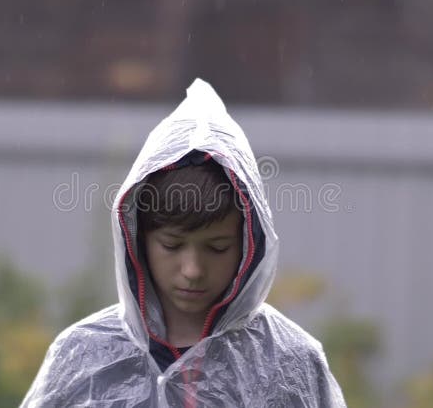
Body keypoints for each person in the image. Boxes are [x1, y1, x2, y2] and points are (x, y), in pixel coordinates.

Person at [21, 79, 346, 407]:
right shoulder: (85, 357)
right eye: (172, 245)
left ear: (250, 245)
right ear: (138, 238)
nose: (193, 270)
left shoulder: (289, 363)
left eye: (217, 248)